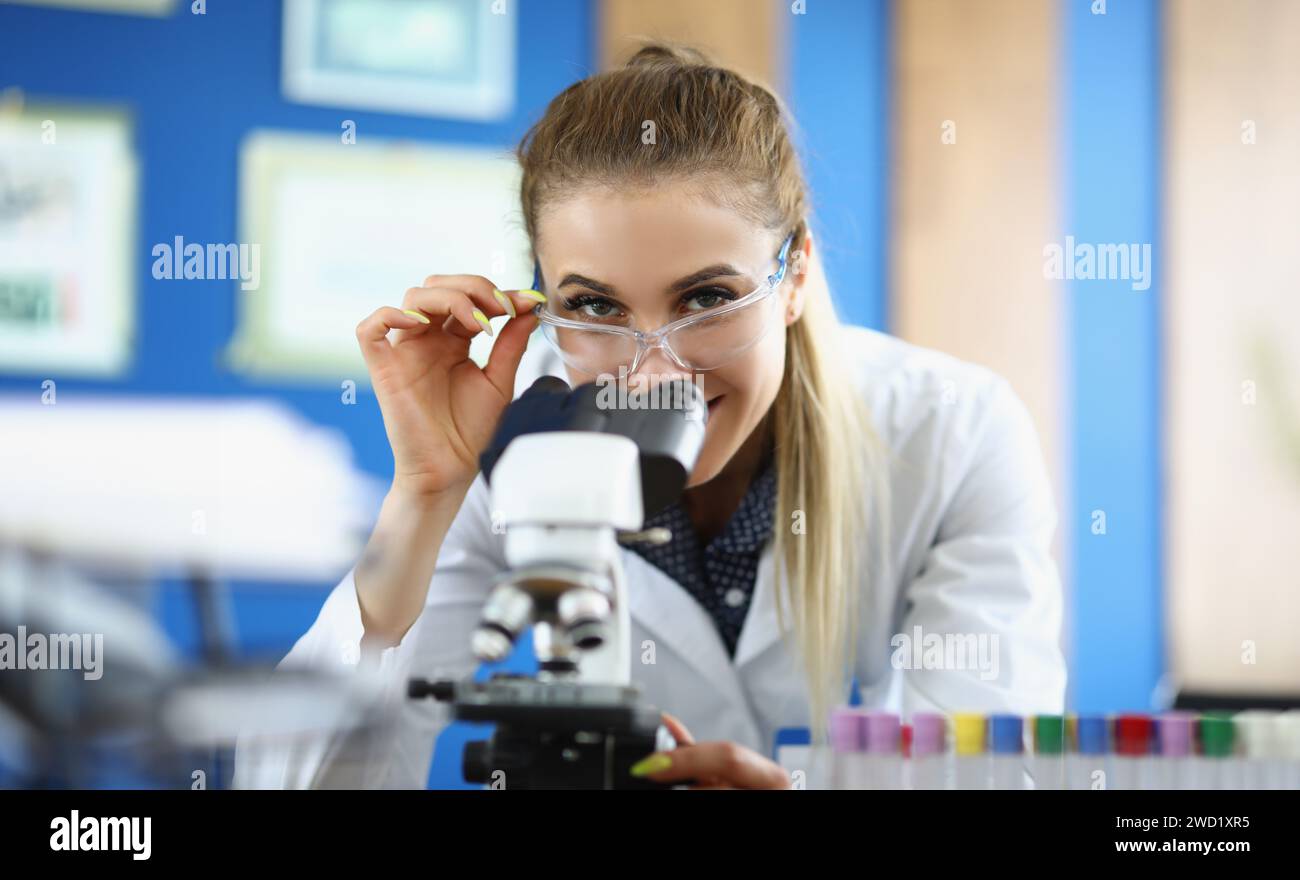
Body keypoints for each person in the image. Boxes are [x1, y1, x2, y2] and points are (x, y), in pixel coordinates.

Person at [234, 43, 1065, 790]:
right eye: (595, 305)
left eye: (707, 297)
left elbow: (993, 774)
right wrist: (424, 494)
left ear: (797, 274)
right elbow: (303, 783)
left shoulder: (955, 432)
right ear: (542, 301)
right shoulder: (519, 435)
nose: (655, 372)